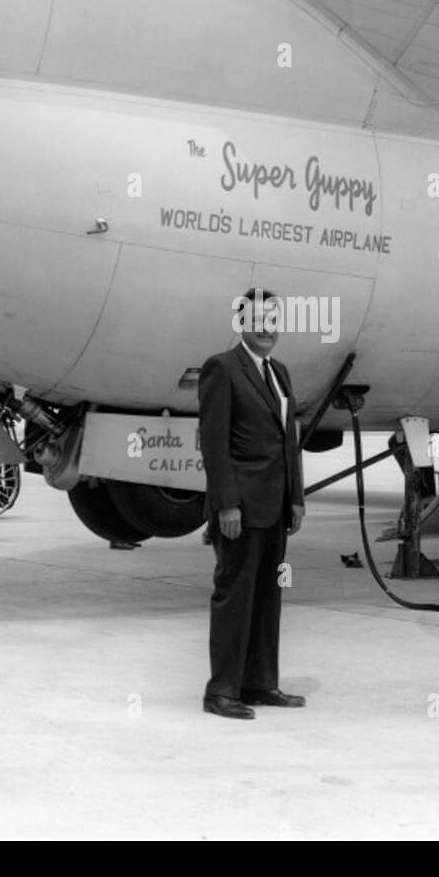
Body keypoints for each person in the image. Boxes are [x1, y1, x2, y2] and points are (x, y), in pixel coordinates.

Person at [197, 289, 306, 720]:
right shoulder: (221, 368)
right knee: (235, 597)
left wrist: (295, 497)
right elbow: (215, 443)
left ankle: (260, 683)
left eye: (272, 320)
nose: (266, 328)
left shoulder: (278, 372)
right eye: (257, 319)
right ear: (240, 322)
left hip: (275, 507)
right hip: (239, 509)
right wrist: (226, 505)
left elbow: (288, 441)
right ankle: (221, 691)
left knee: (267, 597)